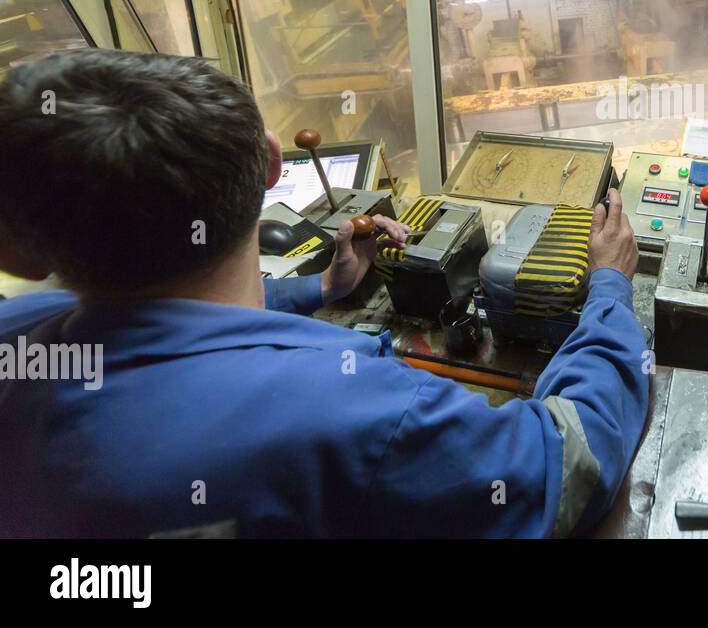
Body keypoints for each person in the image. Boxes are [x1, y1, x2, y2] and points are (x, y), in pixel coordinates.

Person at [0, 50, 648, 537]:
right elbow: (571, 464)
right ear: (273, 164)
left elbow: (174, 329)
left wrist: (321, 289)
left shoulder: (19, 337)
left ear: (22, 254)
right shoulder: (356, 417)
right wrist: (610, 288)